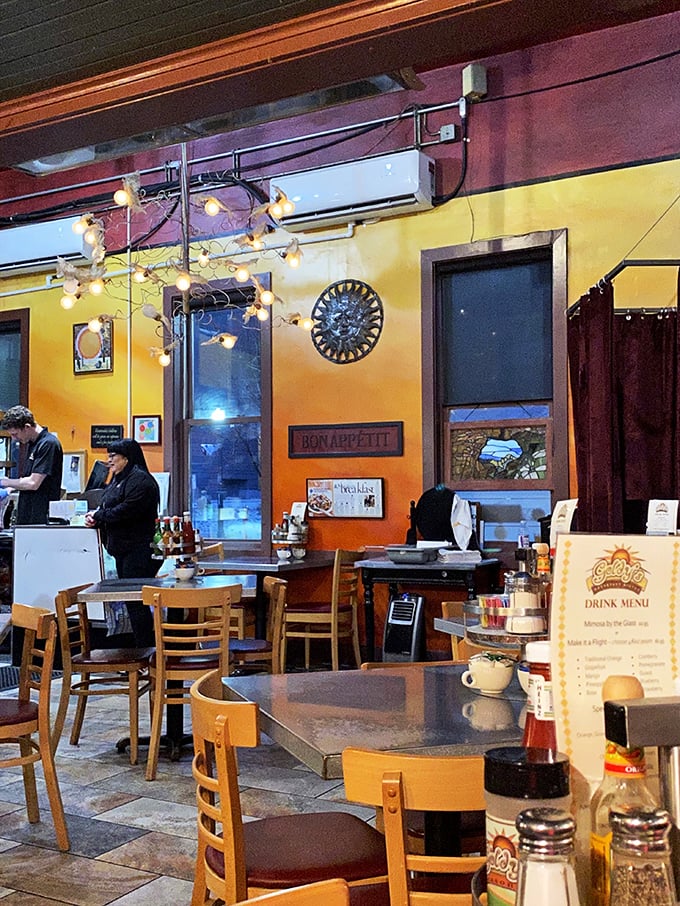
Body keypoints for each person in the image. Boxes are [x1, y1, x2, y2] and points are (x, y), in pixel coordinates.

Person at [86, 438, 160, 646]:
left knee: (136, 602)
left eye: (113, 456)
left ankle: (146, 652)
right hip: (122, 549)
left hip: (139, 550)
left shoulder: (141, 481)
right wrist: (95, 516)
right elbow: (106, 506)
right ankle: (141, 650)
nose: (109, 461)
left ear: (126, 458)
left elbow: (126, 510)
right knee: (132, 602)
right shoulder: (119, 479)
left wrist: (101, 516)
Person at [0, 405, 63, 525]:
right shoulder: (32, 443)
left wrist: (3, 482)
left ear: (27, 427)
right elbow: (26, 480)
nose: (14, 439)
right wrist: (9, 489)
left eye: (15, 434)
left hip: (40, 517)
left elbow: (33, 483)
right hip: (28, 514)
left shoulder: (48, 444)